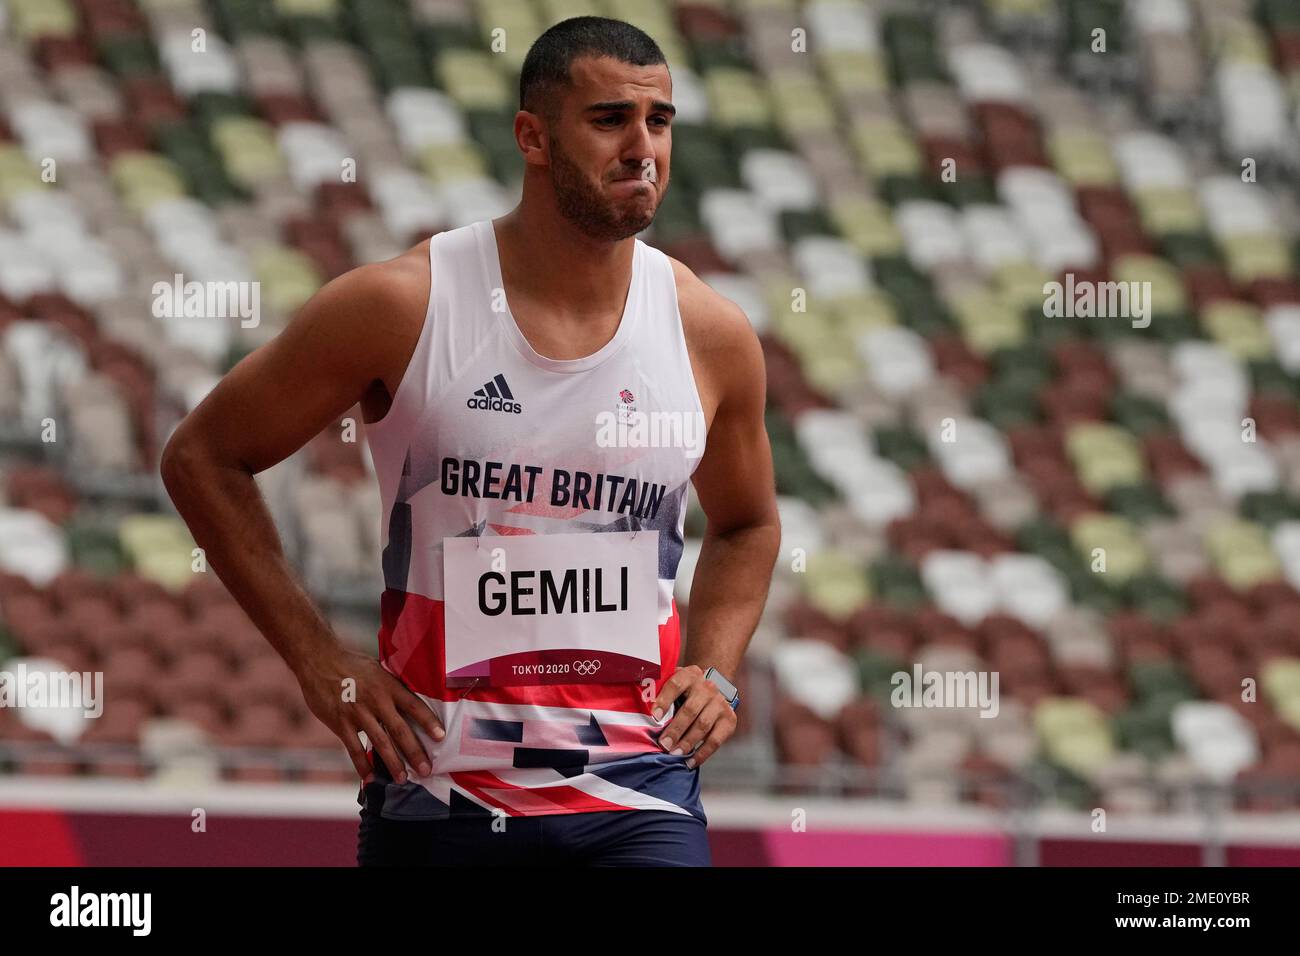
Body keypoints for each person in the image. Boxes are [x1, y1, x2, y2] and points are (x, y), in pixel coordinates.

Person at [161, 15, 781, 866]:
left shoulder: (709, 332)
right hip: (440, 791)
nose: (644, 146)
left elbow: (748, 524)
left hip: (639, 791)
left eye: (660, 121)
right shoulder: (403, 305)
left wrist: (713, 669)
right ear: (532, 136)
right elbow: (202, 456)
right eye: (610, 120)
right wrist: (317, 662)